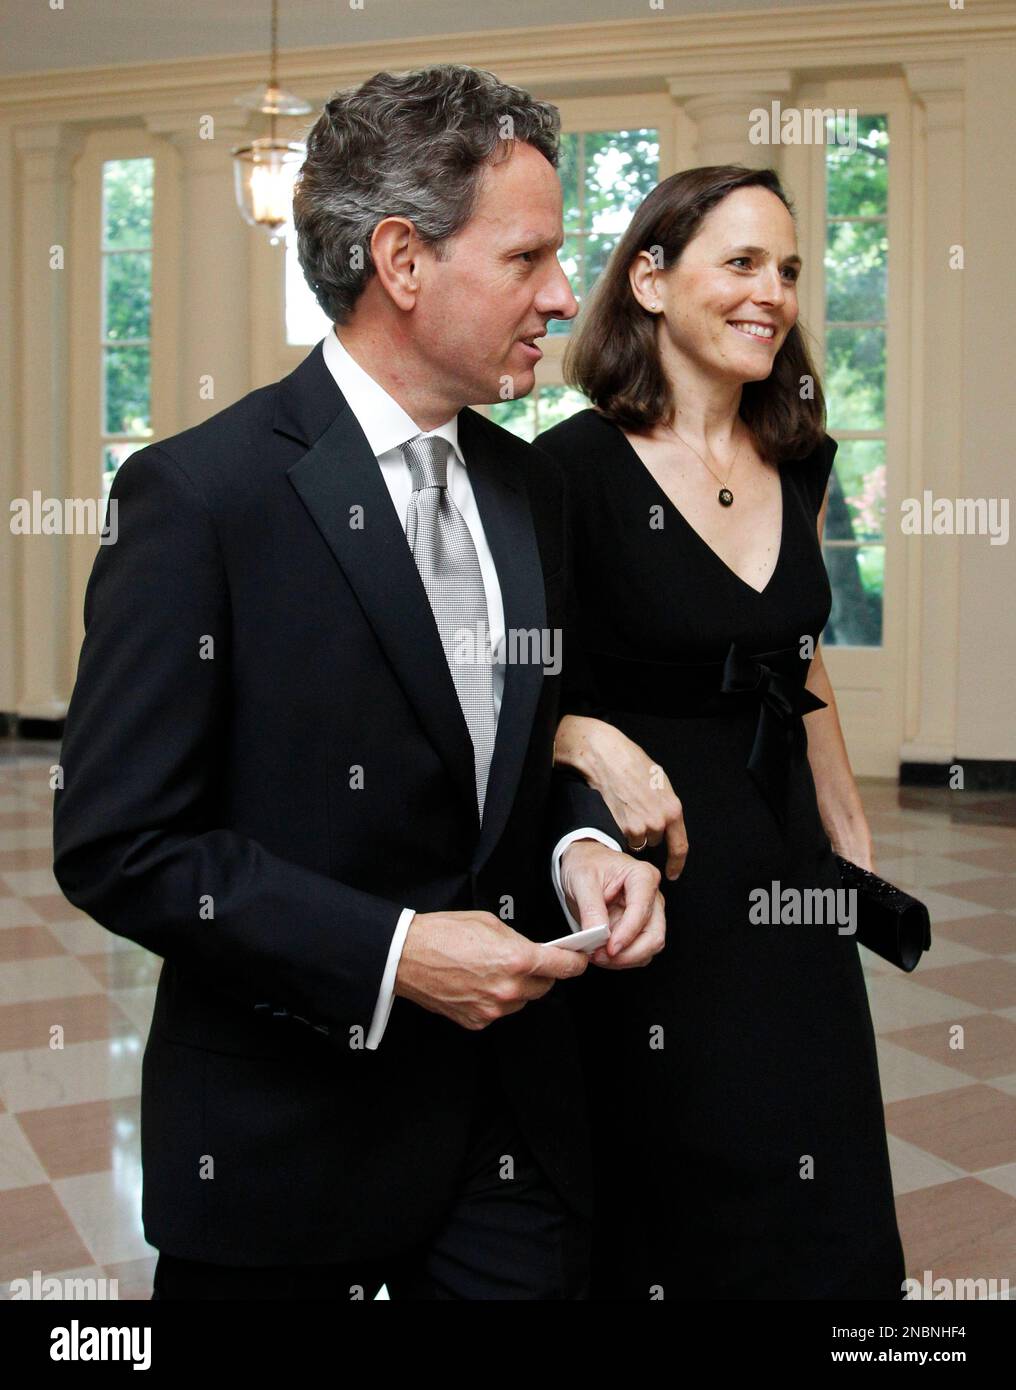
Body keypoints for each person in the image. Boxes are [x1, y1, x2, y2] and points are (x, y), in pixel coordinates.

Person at [52, 64, 665, 1301]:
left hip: (518, 1150)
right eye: (528, 257)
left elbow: (511, 758)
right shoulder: (199, 498)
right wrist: (391, 954)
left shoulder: (531, 488)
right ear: (401, 259)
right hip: (290, 1162)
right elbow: (120, 841)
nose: (562, 296)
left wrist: (576, 850)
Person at [536, 164, 905, 1299]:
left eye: (787, 268)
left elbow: (794, 656)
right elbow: (512, 691)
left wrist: (845, 825)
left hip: (784, 849)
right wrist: (586, 744)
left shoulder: (798, 456)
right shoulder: (567, 472)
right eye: (740, 262)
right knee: (680, 1151)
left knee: (816, 1133)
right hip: (657, 861)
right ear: (648, 280)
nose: (773, 292)